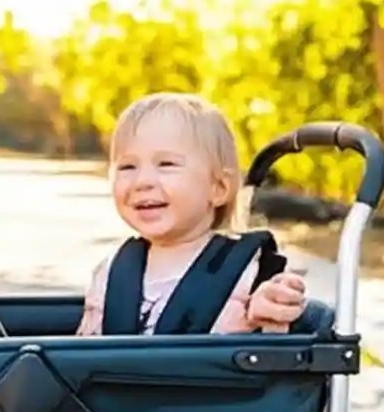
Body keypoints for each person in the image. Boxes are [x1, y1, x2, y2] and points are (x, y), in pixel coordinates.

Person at [76, 92, 307, 336]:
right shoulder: (111, 273)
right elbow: (81, 355)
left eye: (166, 165)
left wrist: (268, 312)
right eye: (127, 167)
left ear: (219, 188)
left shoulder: (247, 272)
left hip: (207, 373)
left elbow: (272, 355)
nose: (142, 181)